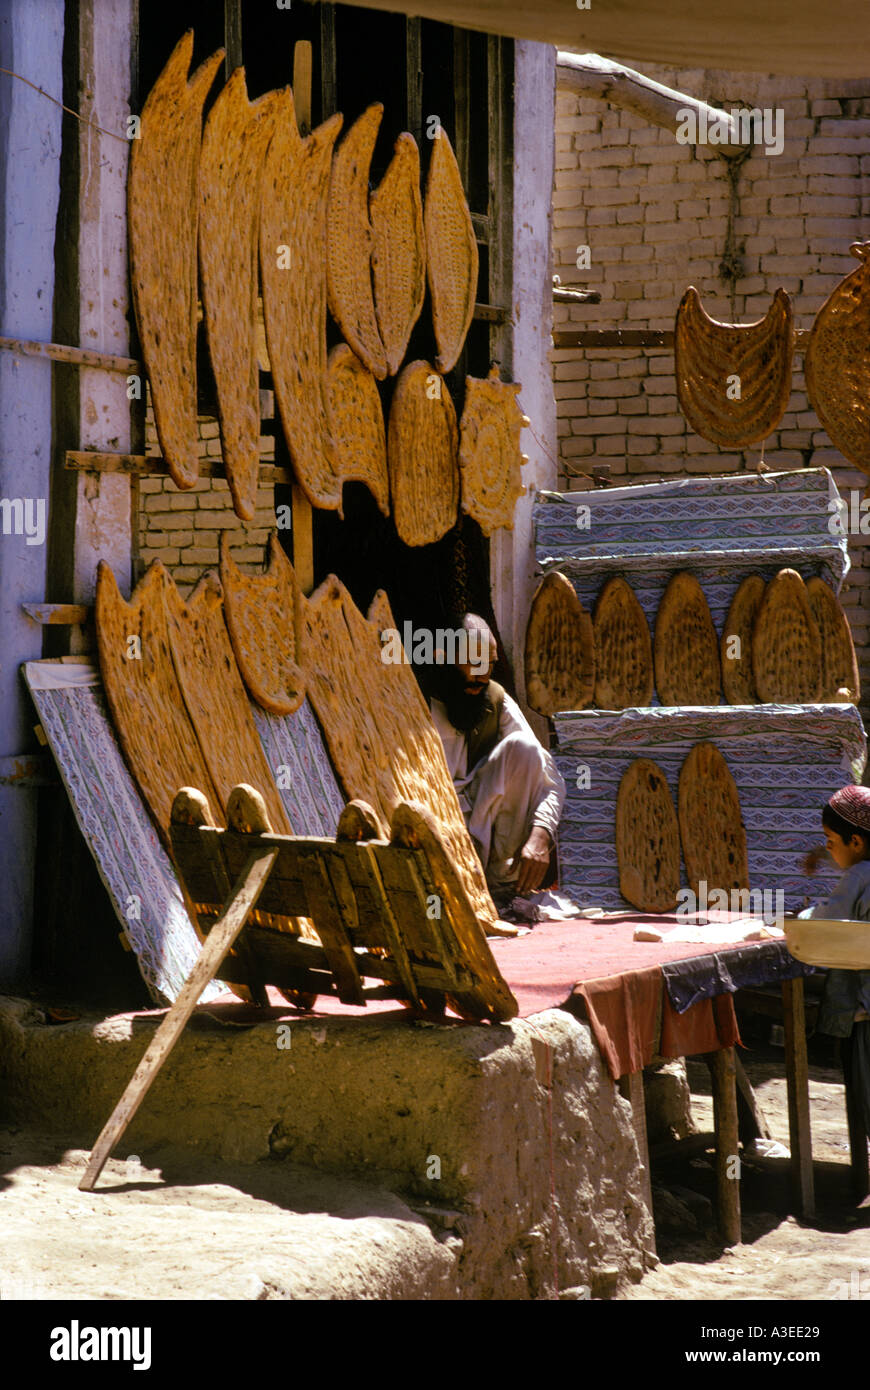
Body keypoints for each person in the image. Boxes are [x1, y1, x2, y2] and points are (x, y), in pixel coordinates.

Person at [427, 613, 566, 907]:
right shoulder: (414, 699)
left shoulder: (494, 699)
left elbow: (551, 780)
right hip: (436, 836)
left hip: (483, 838)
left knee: (524, 749)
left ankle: (501, 884)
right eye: (470, 660)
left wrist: (541, 835)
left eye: (487, 663)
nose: (480, 674)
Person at [803, 785, 870, 1139]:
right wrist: (826, 854)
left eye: (830, 840)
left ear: (856, 842)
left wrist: (796, 917)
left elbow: (825, 922)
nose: (828, 848)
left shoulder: (858, 877)